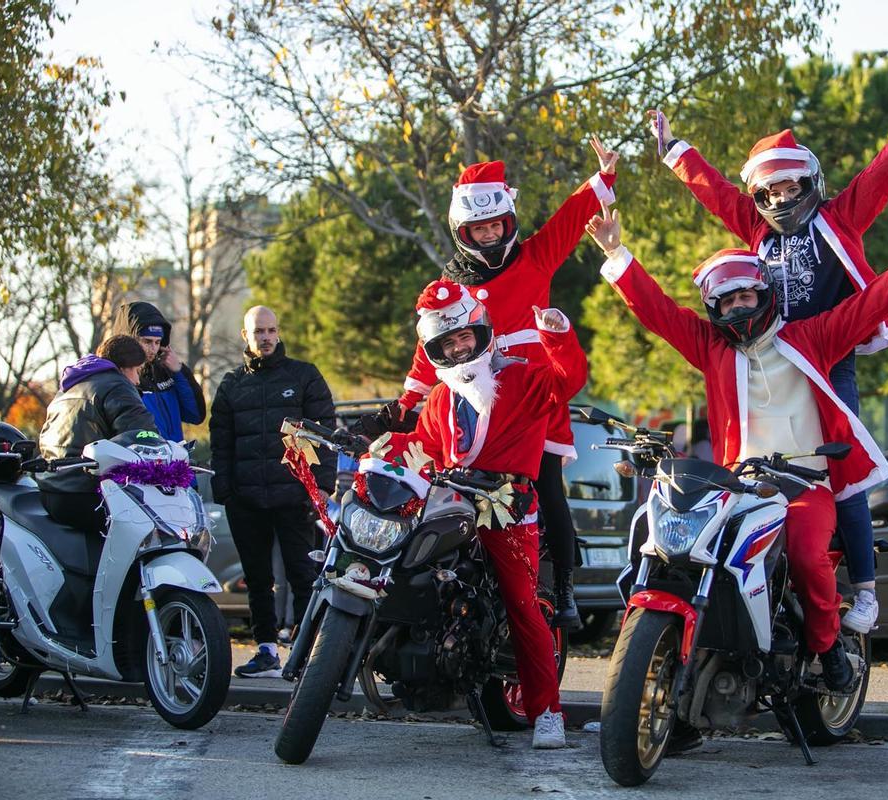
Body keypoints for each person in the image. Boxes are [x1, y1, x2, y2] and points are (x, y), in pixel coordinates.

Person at [585, 204, 888, 698]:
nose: (737, 308)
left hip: (805, 482)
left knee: (806, 552)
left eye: (746, 295)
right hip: (738, 485)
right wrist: (615, 252)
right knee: (677, 544)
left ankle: (828, 646)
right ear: (715, 309)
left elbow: (866, 307)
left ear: (765, 293)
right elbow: (658, 311)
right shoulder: (710, 347)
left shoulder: (809, 336)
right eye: (726, 302)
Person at [646, 74, 888, 634]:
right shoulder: (753, 226)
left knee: (843, 469)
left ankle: (865, 590)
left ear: (810, 183)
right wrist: (673, 152)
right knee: (748, 466)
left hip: (830, 354)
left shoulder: (840, 216)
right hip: (763, 352)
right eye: (771, 194)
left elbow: (884, 172)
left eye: (790, 189)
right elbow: (714, 190)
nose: (781, 200)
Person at [356, 138, 619, 630]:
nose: (491, 234)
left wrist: (602, 178)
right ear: (463, 232)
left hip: (532, 402)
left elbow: (567, 221)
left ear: (509, 222)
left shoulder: (535, 259)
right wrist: (405, 406)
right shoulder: (448, 285)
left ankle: (563, 589)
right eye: (480, 228)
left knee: (548, 491)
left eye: (497, 224)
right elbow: (426, 352)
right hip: (471, 409)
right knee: (442, 492)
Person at [374, 279, 587, 749]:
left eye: (464, 337)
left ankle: (547, 712)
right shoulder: (440, 399)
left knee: (523, 604)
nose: (458, 348)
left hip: (509, 507)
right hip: (450, 506)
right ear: (435, 348)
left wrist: (556, 335)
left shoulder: (524, 377)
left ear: (481, 331)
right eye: (447, 343)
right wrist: (377, 447)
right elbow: (422, 449)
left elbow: (567, 380)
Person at [209, 306, 336, 678]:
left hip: (294, 496)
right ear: (244, 336)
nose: (265, 337)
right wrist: (226, 492)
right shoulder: (231, 385)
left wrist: (323, 486)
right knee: (257, 579)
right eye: (258, 331)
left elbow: (324, 432)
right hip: (245, 500)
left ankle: (308, 653)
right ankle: (265, 650)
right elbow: (222, 443)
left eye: (271, 330)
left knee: (302, 573)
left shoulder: (304, 376)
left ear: (278, 332)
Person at [36, 335, 159, 534]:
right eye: (137, 371)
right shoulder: (117, 385)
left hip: (50, 490)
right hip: (87, 495)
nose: (137, 380)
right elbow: (144, 437)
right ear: (123, 367)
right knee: (150, 529)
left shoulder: (72, 384)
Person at [119, 301, 207, 442]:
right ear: (129, 339)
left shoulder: (166, 372)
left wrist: (179, 371)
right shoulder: (119, 379)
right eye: (147, 341)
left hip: (173, 460)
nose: (153, 349)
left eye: (158, 342)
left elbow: (195, 415)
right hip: (141, 461)